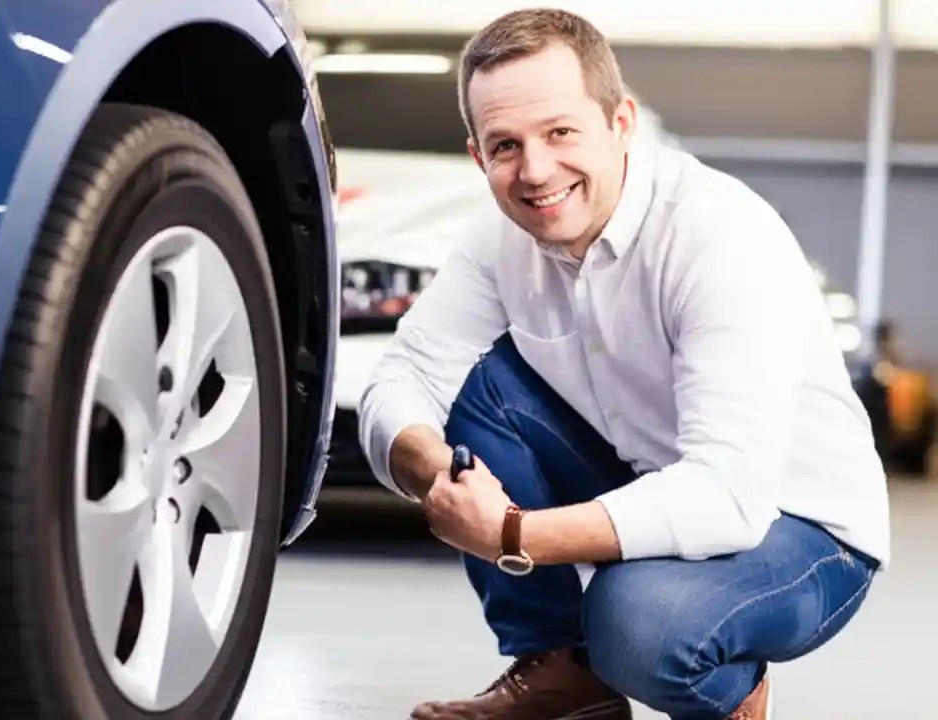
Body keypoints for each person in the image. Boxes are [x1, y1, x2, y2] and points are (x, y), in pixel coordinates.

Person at [358, 8, 890, 720]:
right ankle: (563, 674)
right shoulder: (498, 235)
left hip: (797, 526)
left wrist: (511, 534)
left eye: (560, 132)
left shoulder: (718, 234)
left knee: (638, 624)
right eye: (506, 145)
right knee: (472, 386)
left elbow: (728, 494)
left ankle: (731, 692)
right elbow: (400, 379)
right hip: (651, 475)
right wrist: (445, 478)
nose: (535, 171)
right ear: (478, 157)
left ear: (621, 123)